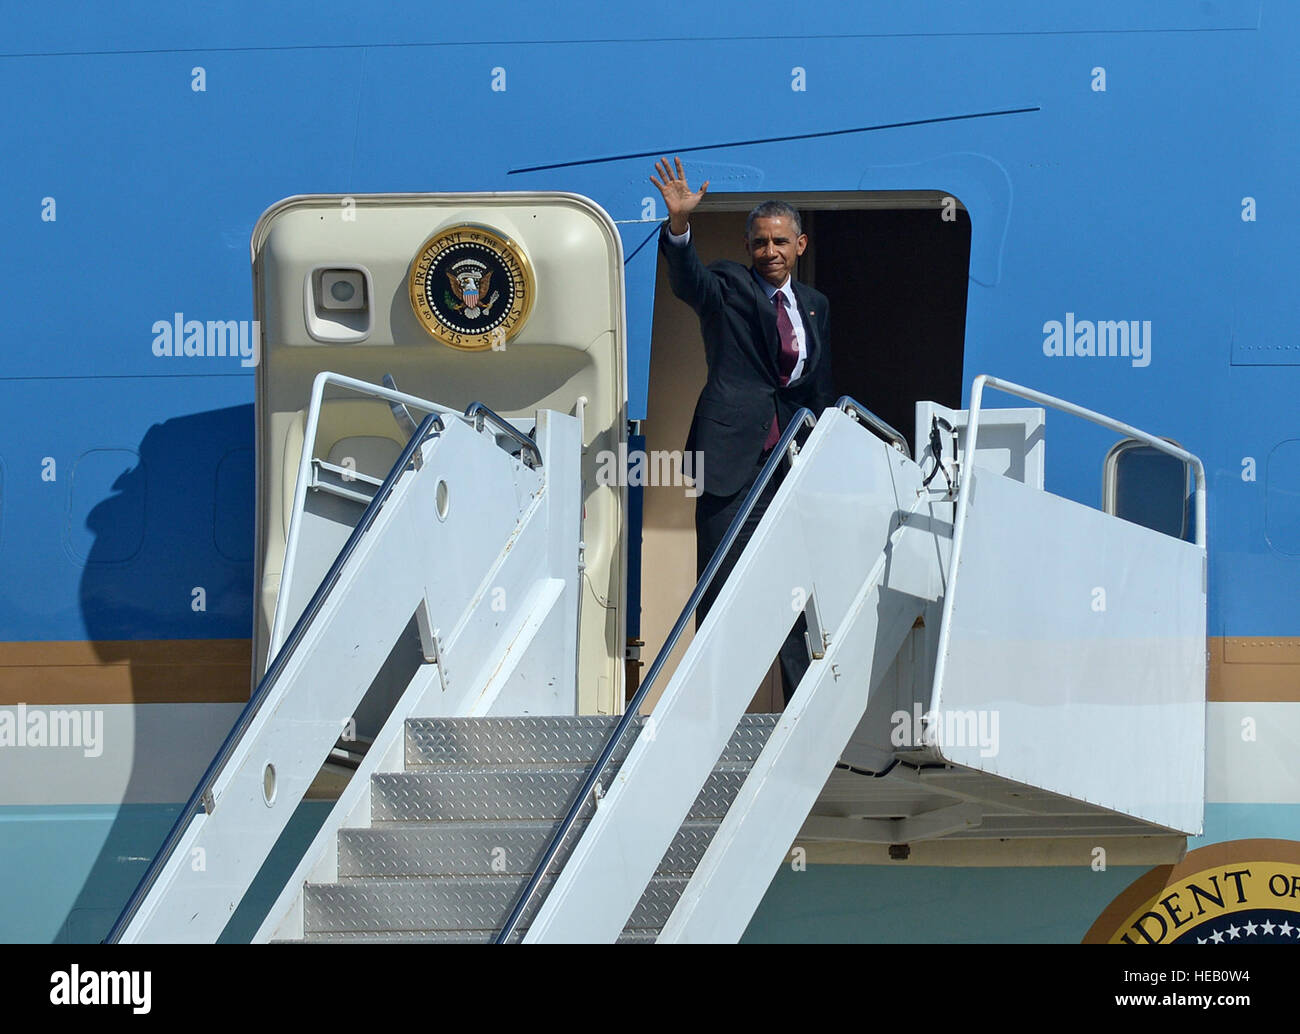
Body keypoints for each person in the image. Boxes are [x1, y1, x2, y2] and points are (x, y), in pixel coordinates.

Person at [650, 156, 835, 704]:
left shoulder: (816, 306)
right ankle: (712, 712)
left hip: (790, 465)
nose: (769, 252)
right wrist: (680, 227)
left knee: (799, 589)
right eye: (760, 243)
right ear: (749, 246)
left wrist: (825, 453)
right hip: (732, 461)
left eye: (780, 242)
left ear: (799, 246)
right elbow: (690, 283)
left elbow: (818, 388)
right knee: (722, 585)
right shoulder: (728, 286)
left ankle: (804, 712)